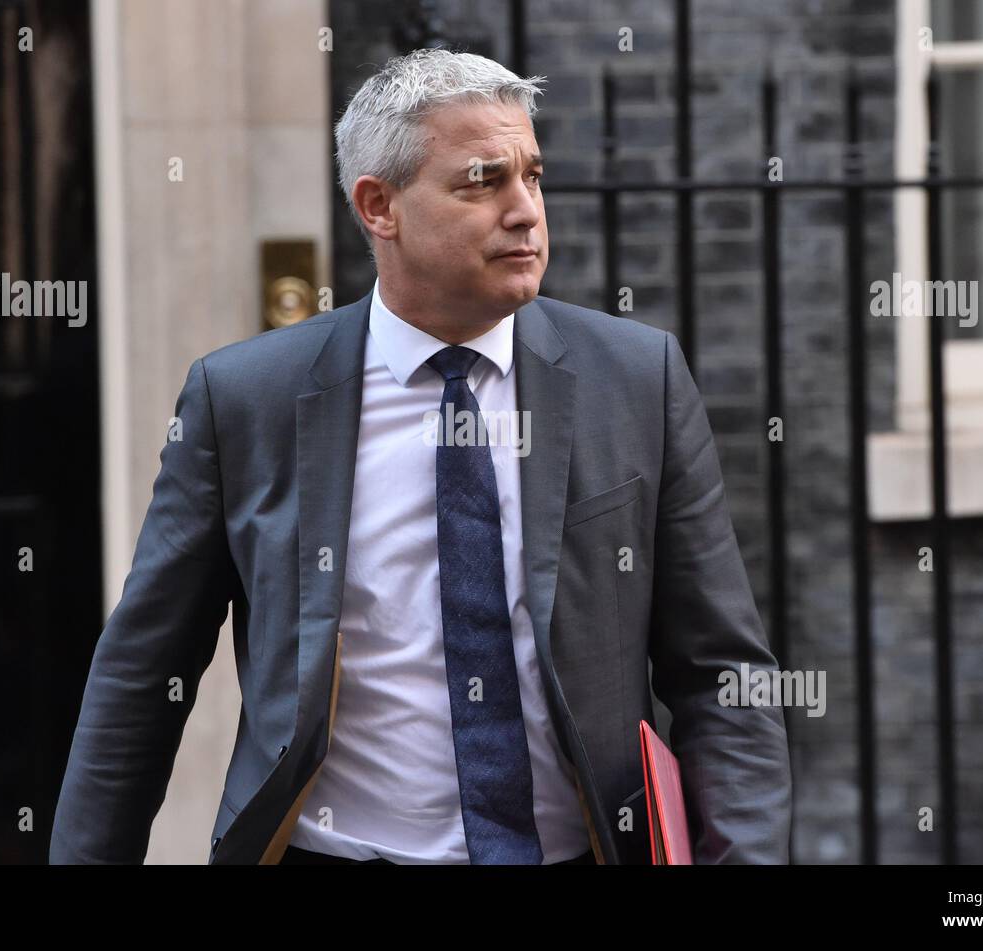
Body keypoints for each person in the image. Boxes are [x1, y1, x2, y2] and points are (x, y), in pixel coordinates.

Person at [50, 47, 791, 866]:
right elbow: (141, 678)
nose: (527, 212)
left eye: (533, 176)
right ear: (380, 206)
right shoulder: (244, 401)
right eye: (483, 181)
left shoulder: (636, 378)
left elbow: (722, 673)